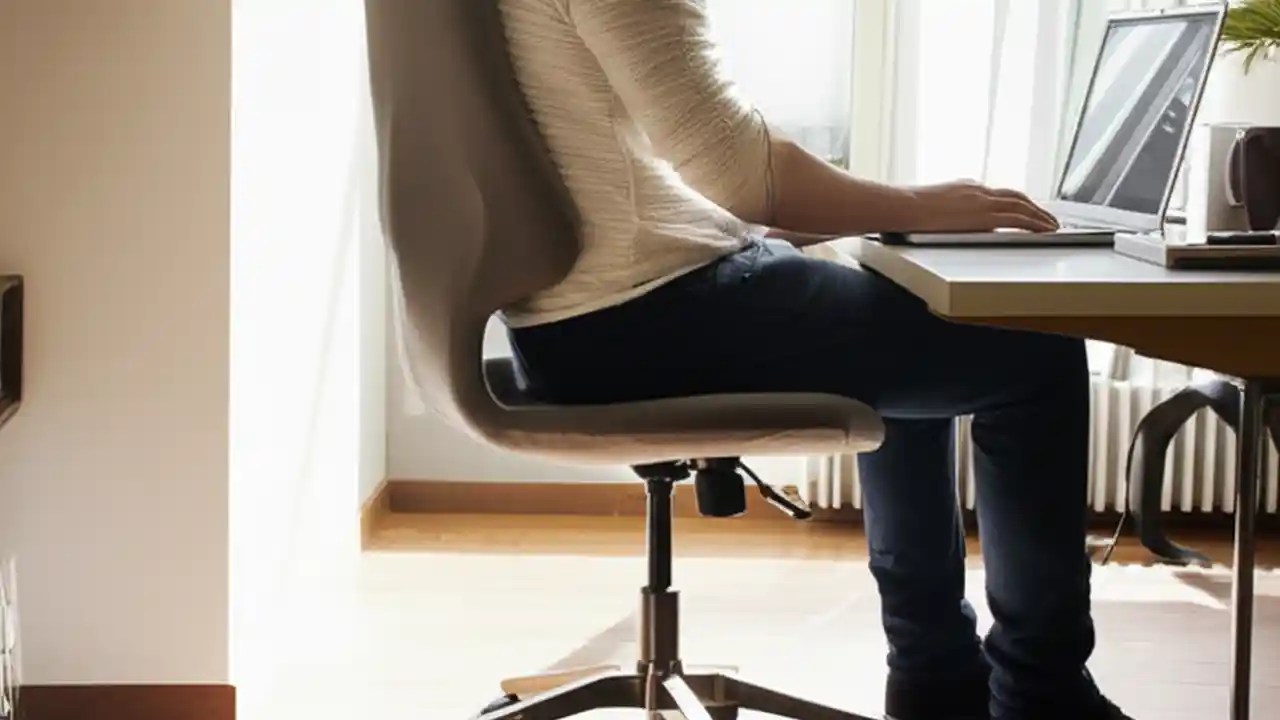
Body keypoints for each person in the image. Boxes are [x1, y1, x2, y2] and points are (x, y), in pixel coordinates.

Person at [497, 1, 1128, 719]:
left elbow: (644, 165)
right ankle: (1041, 694)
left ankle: (938, 679)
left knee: (911, 334)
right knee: (1037, 355)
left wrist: (821, 214)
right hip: (651, 311)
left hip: (584, 321)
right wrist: (928, 206)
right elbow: (737, 167)